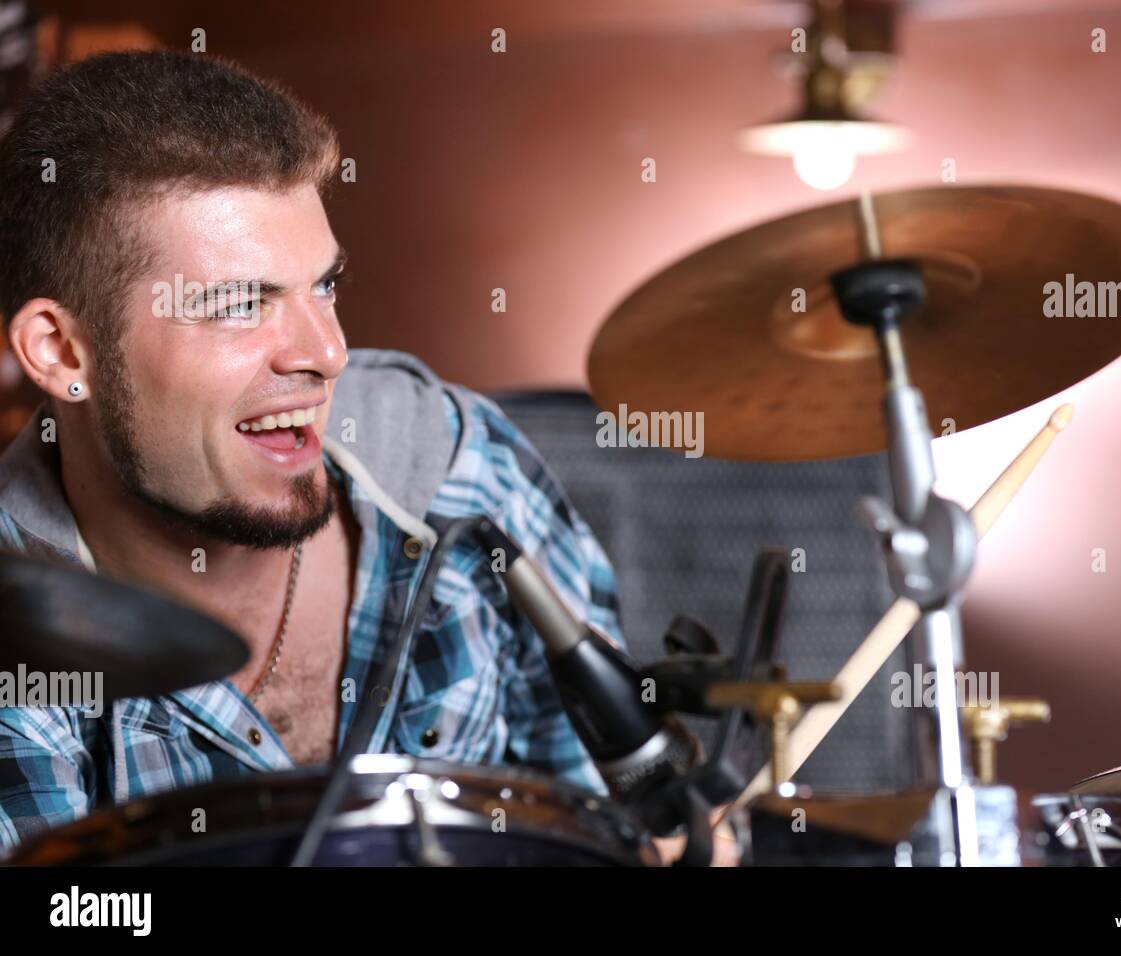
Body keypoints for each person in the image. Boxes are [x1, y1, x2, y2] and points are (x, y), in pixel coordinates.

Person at [0, 50, 733, 864]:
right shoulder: (16, 631)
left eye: (325, 286)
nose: (326, 352)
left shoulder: (466, 468)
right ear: (62, 351)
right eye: (241, 304)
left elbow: (605, 824)